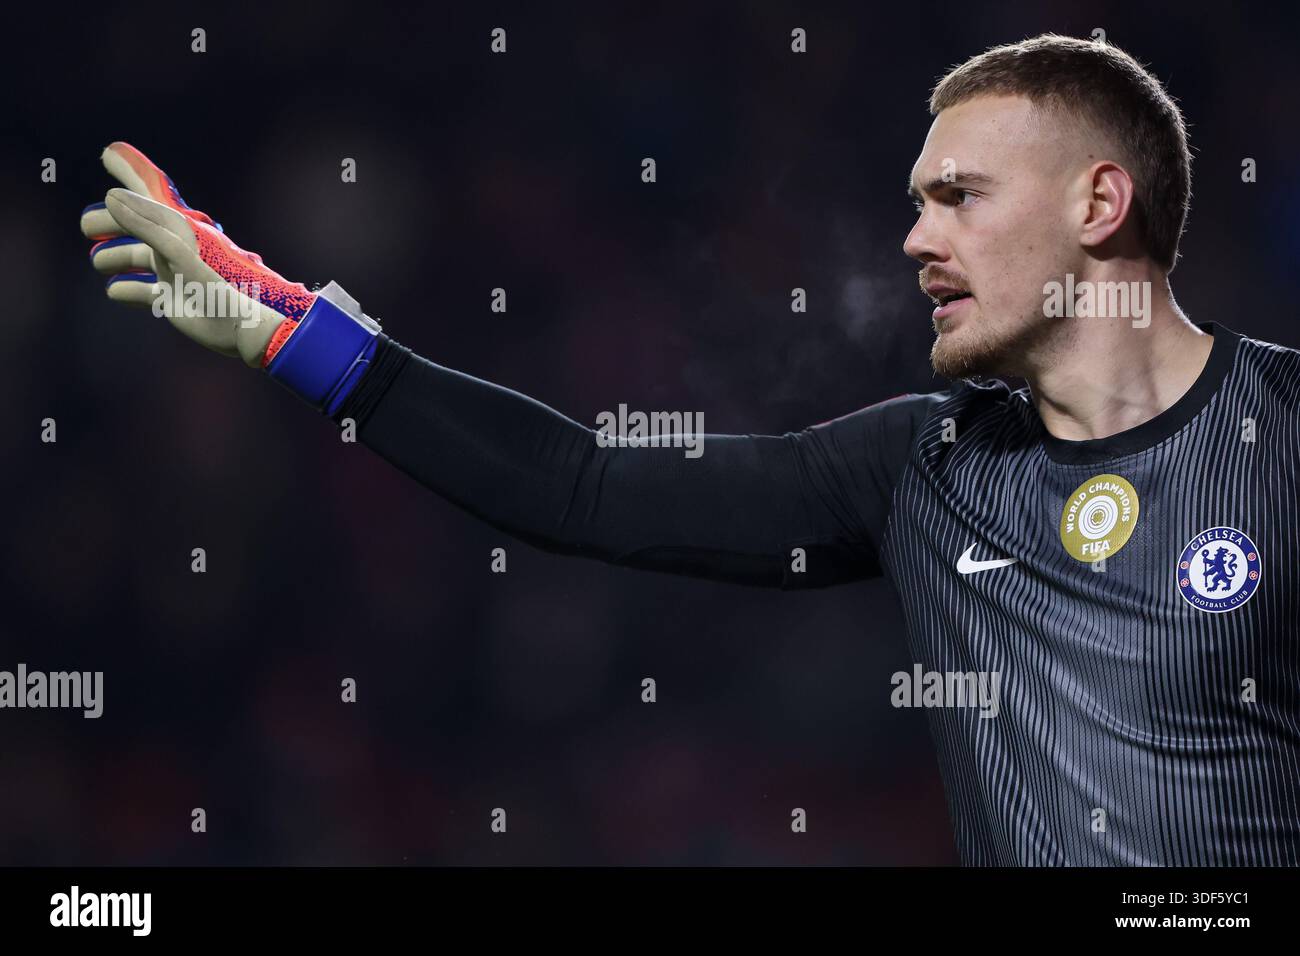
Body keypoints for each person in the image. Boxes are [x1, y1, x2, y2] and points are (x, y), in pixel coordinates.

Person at [80, 33, 1300, 865]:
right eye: (916, 202)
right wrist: (289, 327)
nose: (917, 240)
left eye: (961, 196)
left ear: (1098, 204)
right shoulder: (921, 469)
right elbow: (577, 484)